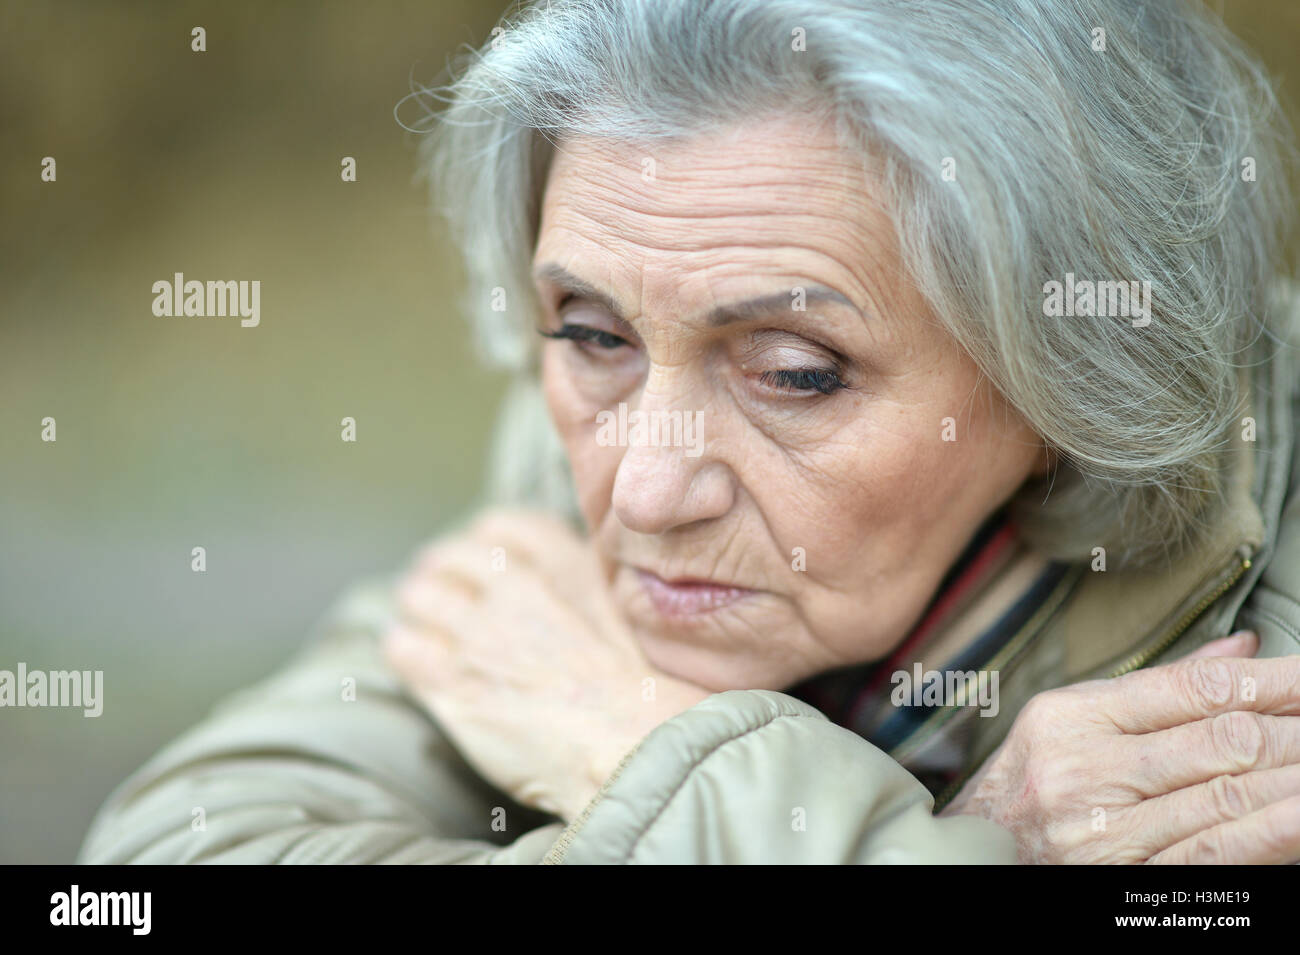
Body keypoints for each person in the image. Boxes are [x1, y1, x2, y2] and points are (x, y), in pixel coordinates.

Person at [81, 0, 1300, 864]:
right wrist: (963, 845)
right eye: (596, 333)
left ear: (1069, 384)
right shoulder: (561, 481)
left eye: (789, 372)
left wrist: (633, 751)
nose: (649, 491)